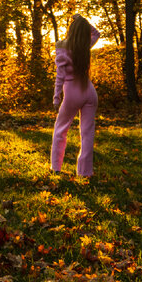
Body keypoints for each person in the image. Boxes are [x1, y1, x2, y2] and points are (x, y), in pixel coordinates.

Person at [50, 14, 101, 179]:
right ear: (84, 32)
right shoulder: (85, 45)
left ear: (71, 30)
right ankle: (85, 173)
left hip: (72, 93)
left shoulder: (62, 47)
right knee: (87, 133)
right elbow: (97, 33)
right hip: (89, 91)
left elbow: (60, 77)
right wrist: (82, 19)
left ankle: (56, 168)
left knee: (60, 130)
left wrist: (56, 98)